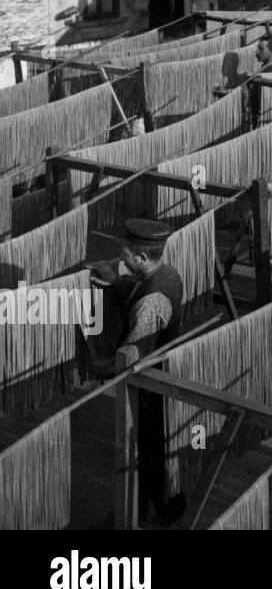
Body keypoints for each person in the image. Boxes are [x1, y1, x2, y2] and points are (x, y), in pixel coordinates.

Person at [90, 219, 188, 526]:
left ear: (142, 259)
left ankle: (161, 512)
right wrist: (116, 284)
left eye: (126, 254)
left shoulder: (150, 304)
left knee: (146, 453)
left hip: (148, 387)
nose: (122, 259)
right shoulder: (168, 273)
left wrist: (101, 368)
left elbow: (132, 357)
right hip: (160, 378)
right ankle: (153, 509)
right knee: (150, 451)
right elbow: (138, 288)